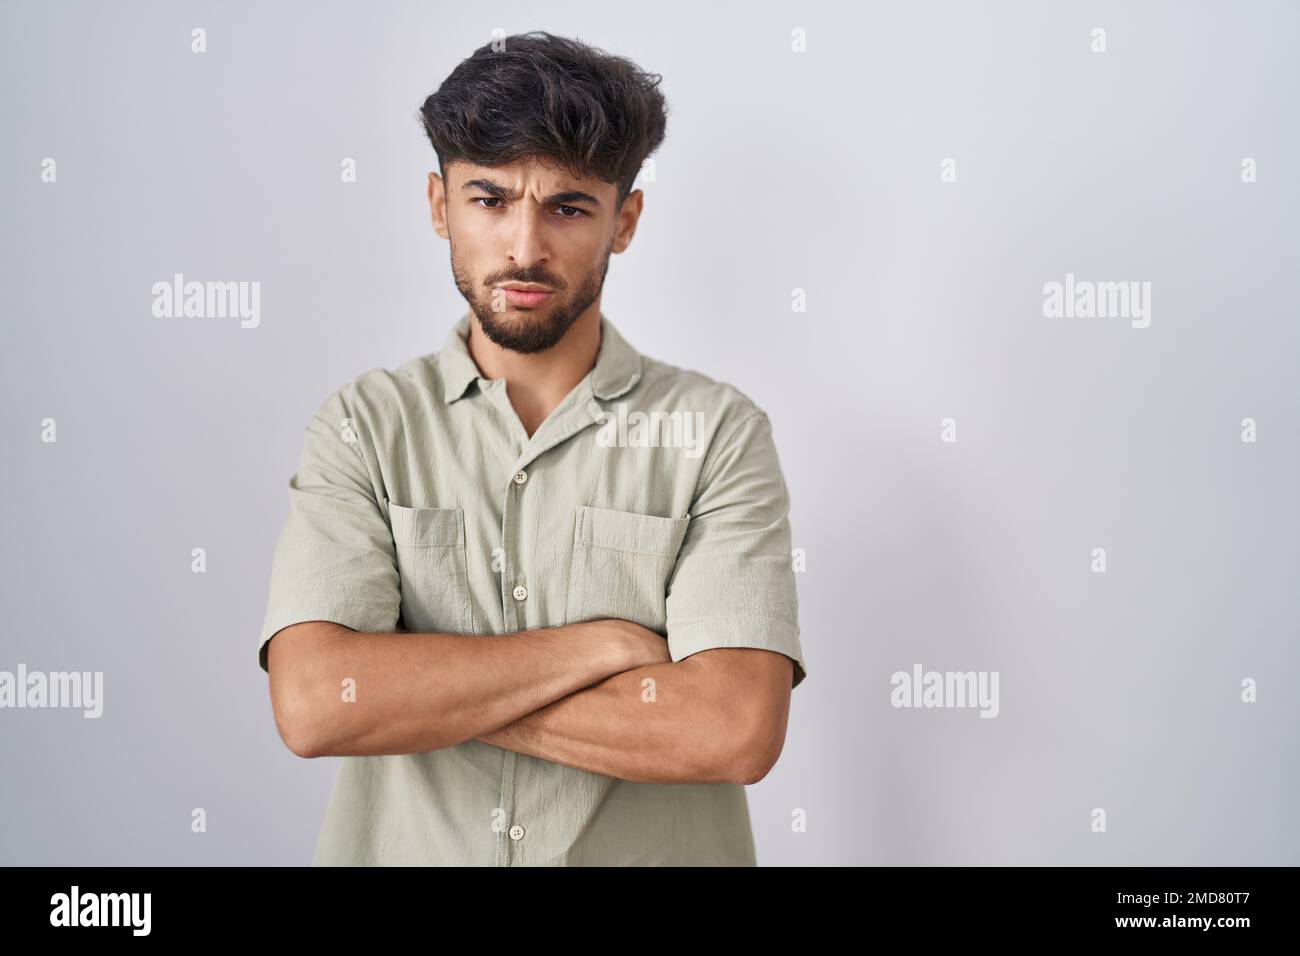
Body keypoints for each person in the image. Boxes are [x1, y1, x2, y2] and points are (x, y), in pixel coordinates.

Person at [257, 30, 808, 866]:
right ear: (439, 205)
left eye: (569, 206)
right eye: (489, 199)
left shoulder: (716, 434)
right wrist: (597, 648)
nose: (523, 246)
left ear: (625, 220)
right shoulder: (362, 425)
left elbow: (732, 729)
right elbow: (314, 705)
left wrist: (415, 691)